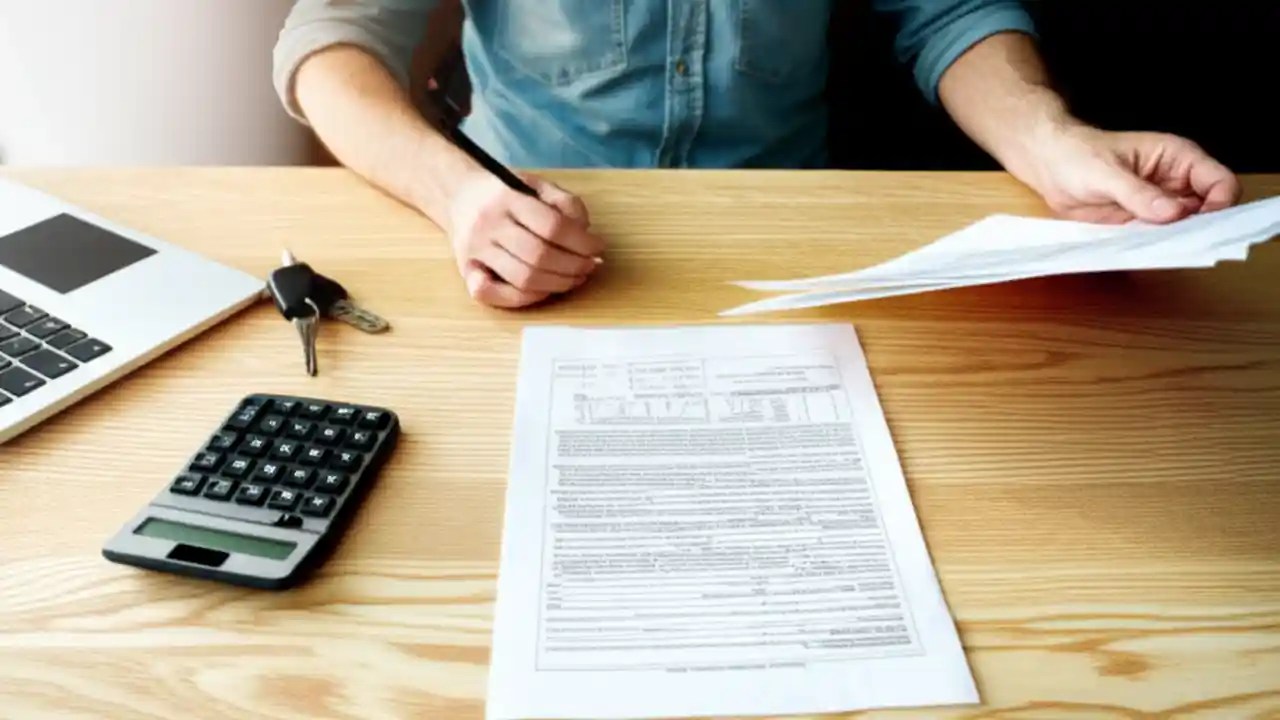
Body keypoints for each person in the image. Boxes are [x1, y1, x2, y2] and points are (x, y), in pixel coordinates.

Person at [272, 0, 1241, 309]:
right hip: (518, 260)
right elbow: (326, 47)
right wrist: (459, 198)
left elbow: (946, 15)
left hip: (790, 268)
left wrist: (1052, 139)